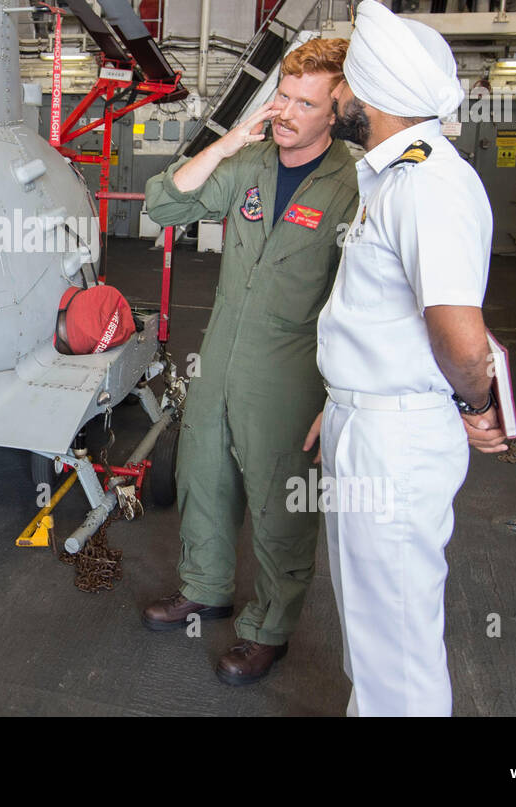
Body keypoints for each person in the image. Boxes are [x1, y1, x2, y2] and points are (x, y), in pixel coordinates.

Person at [302, 0, 507, 717]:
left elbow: (459, 336)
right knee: (372, 630)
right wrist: (344, 406)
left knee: (398, 638)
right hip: (369, 423)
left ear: (373, 95)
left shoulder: (428, 183)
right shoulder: (390, 176)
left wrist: (479, 405)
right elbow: (382, 318)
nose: (337, 97)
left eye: (345, 86)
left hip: (398, 440)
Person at [141, 38, 360, 685]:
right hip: (218, 362)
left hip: (291, 375)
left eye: (306, 101)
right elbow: (164, 202)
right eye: (282, 96)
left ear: (336, 109)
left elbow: (361, 302)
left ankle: (268, 628)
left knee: (281, 504)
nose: (287, 111)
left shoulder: (351, 185)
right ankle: (205, 587)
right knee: (201, 477)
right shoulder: (250, 164)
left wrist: (337, 396)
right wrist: (228, 143)